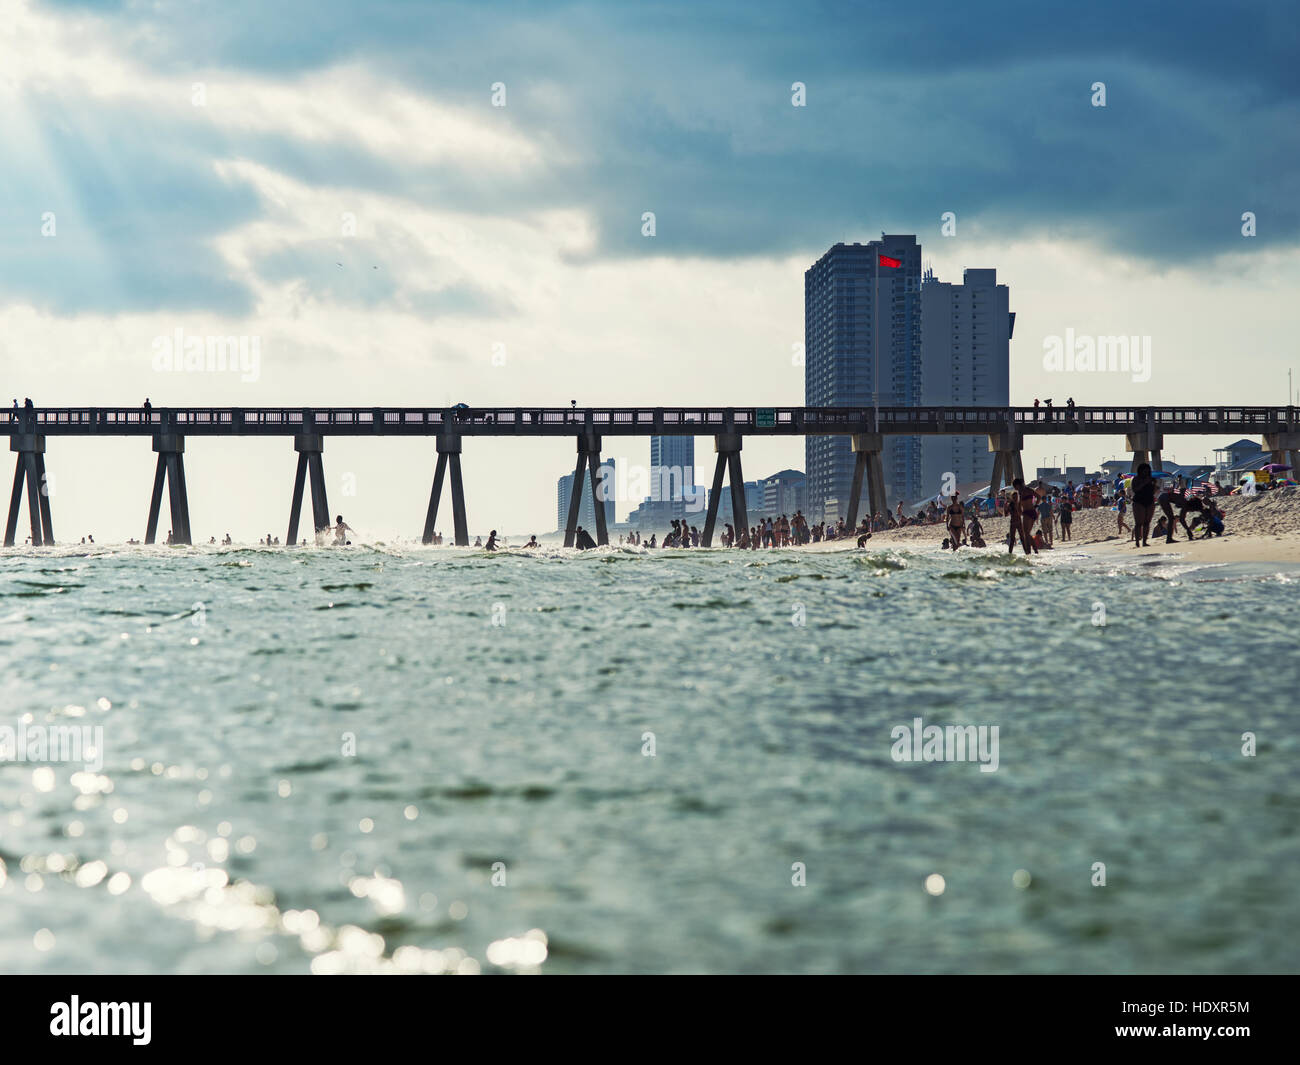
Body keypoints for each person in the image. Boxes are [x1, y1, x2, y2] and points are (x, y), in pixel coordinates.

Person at [1130, 463, 1156, 547]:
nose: (1145, 472)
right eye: (1144, 471)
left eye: (1147, 471)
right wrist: (1144, 482)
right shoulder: (1136, 479)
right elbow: (1135, 489)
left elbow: (1153, 491)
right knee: (1138, 523)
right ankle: (1137, 542)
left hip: (1149, 500)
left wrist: (1154, 484)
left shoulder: (1151, 479)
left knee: (1147, 523)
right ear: (1140, 471)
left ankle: (1144, 541)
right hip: (1138, 501)